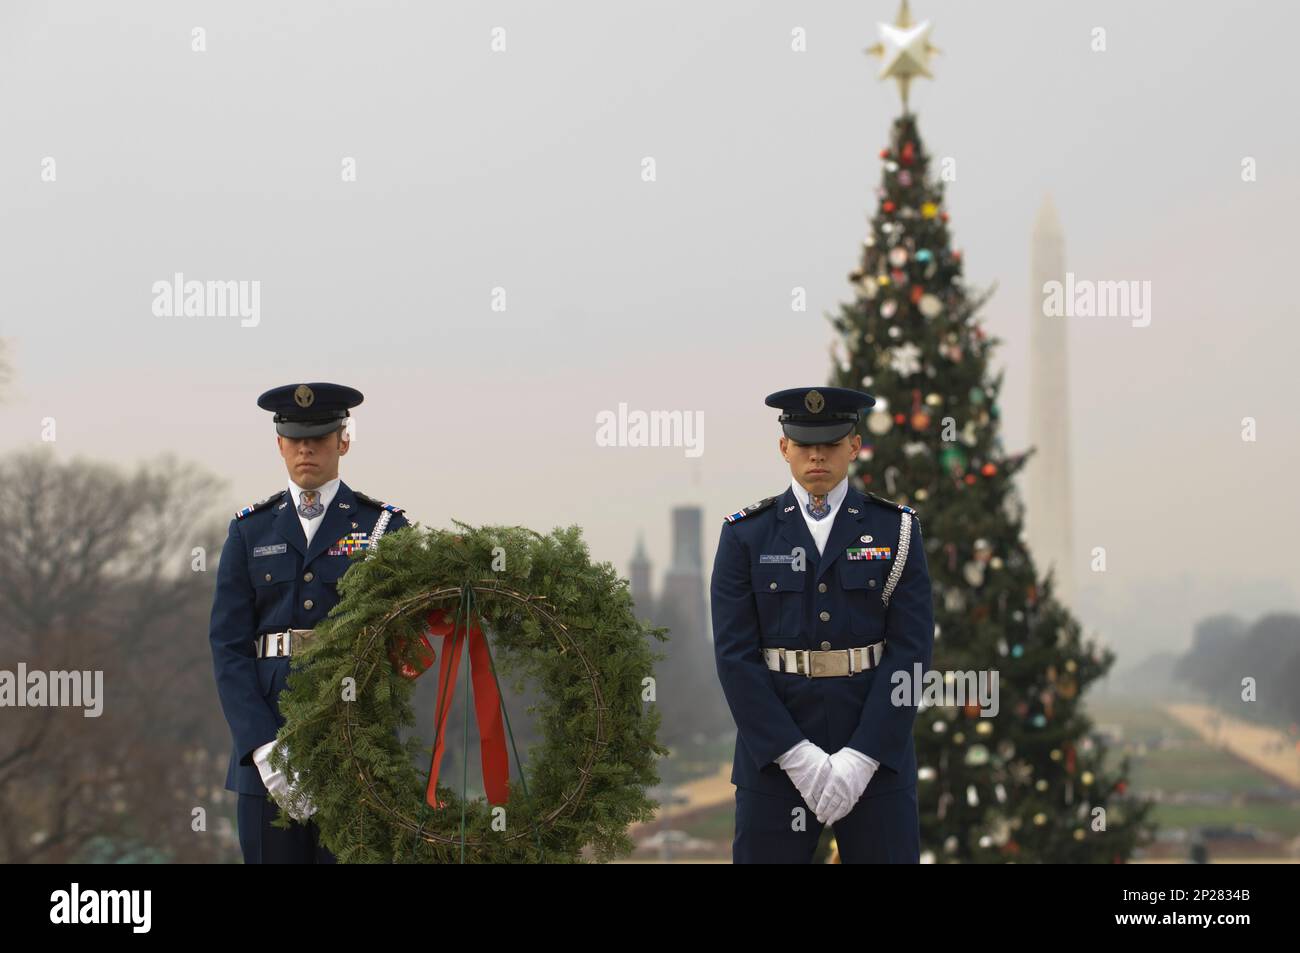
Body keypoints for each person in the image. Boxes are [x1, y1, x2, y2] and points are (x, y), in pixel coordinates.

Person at [710, 386, 934, 863]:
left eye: (831, 442)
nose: (817, 454)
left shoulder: (896, 529)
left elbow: (911, 651)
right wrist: (795, 756)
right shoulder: (745, 535)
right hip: (774, 758)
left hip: (874, 749)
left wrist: (863, 756)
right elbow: (735, 658)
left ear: (854, 446)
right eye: (804, 442)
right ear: (783, 447)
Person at [208, 382, 410, 864]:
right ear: (279, 444)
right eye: (295, 438)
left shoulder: (382, 528)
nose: (306, 448)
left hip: (354, 746)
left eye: (319, 437)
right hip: (268, 745)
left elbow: (402, 640)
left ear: (343, 440)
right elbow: (228, 647)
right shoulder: (249, 529)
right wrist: (262, 748)